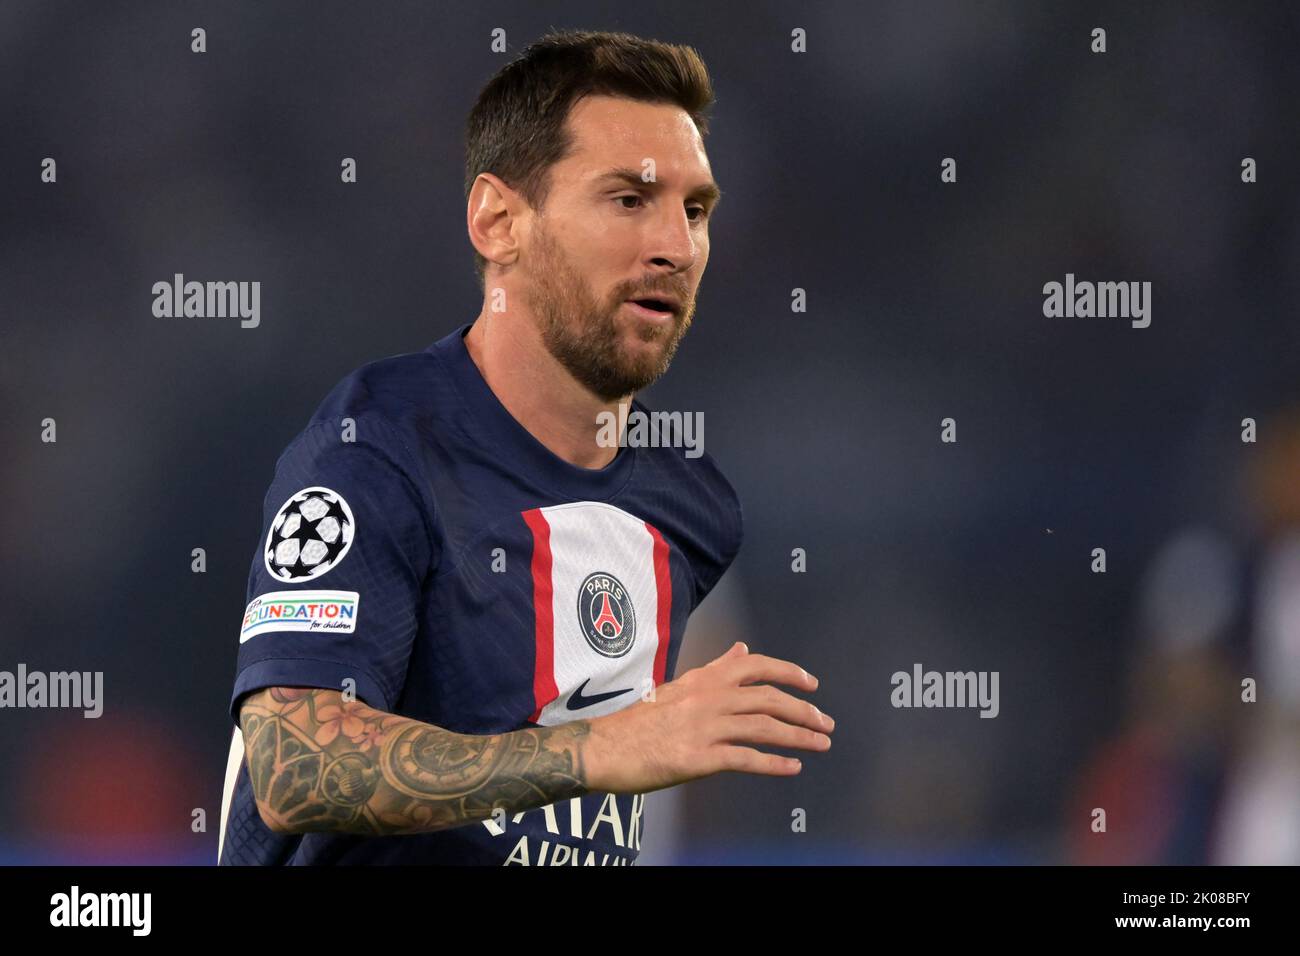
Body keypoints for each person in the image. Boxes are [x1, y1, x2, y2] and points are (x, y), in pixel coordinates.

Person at [218, 29, 833, 866]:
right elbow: (291, 765)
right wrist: (596, 750)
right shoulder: (377, 450)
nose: (676, 248)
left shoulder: (690, 505)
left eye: (694, 210)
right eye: (628, 200)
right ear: (498, 221)